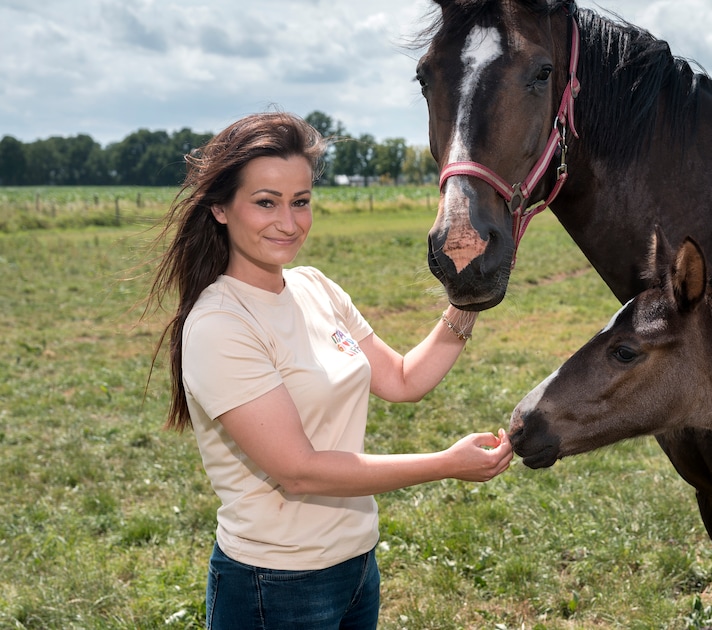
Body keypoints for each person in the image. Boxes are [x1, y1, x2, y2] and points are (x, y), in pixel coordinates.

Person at [144, 111, 513, 629]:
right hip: (275, 584)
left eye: (301, 201)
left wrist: (471, 290)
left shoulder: (315, 286)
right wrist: (445, 464)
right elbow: (298, 470)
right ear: (221, 209)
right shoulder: (218, 324)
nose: (289, 222)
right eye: (265, 202)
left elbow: (403, 379)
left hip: (356, 565)